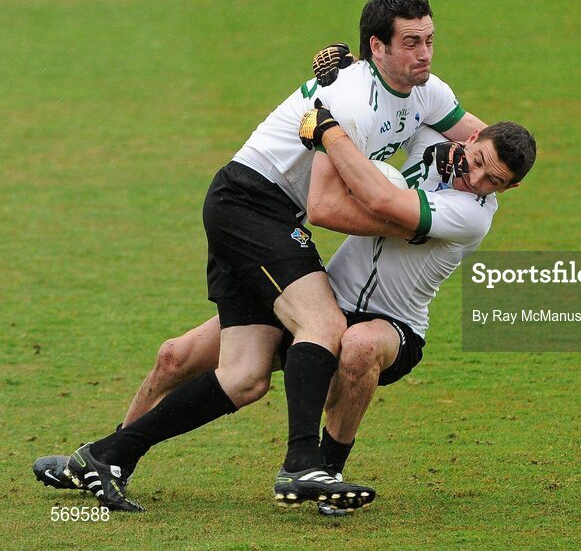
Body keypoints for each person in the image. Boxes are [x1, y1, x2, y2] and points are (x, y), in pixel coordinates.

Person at [60, 0, 486, 512]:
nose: (424, 54)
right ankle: (304, 464)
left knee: (243, 377)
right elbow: (325, 209)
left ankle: (107, 457)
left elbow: (491, 142)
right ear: (378, 47)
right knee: (325, 326)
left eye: (430, 41)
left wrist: (465, 159)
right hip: (252, 205)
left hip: (260, 211)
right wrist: (407, 226)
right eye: (411, 43)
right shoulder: (351, 103)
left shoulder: (427, 91)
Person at [36, 121, 535, 517]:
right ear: (470, 139)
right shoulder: (442, 141)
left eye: (495, 182)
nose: (476, 181)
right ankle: (106, 459)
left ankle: (325, 477)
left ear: (507, 190)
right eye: (475, 163)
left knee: (356, 345)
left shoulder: (471, 216)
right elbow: (420, 100)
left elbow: (380, 199)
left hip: (393, 325)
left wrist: (329, 131)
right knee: (175, 357)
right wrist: (345, 69)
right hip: (325, 300)